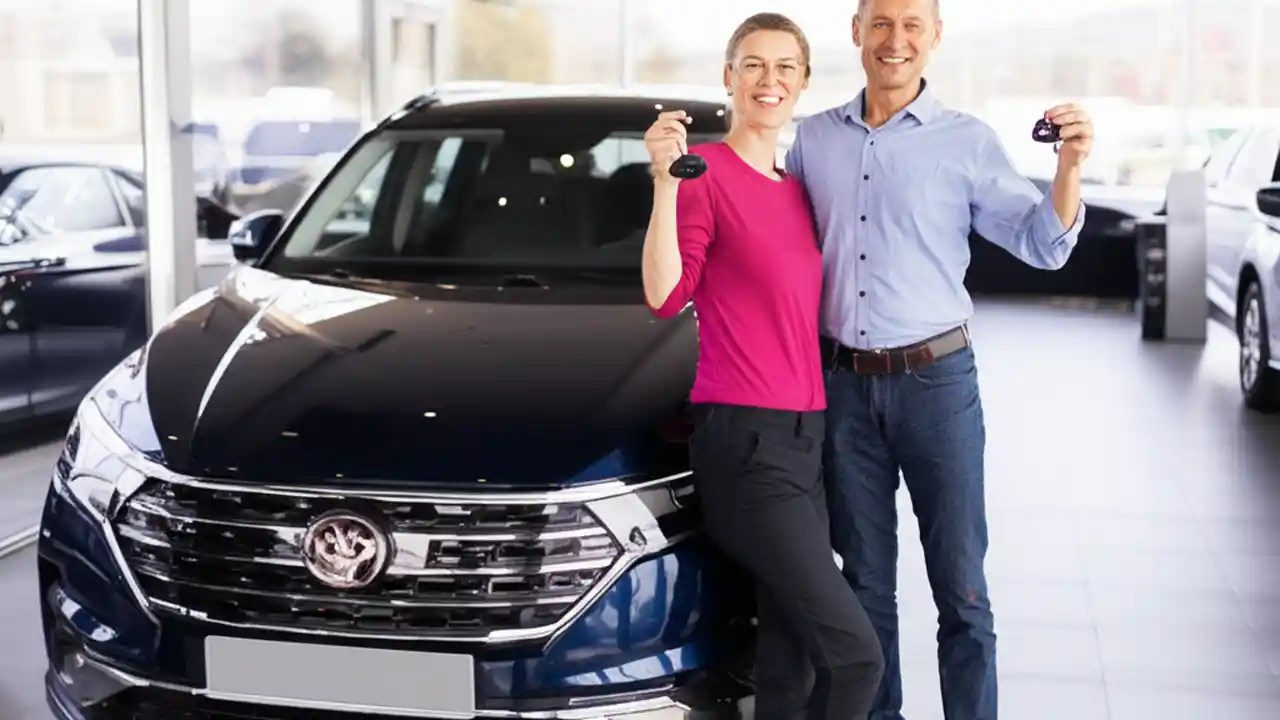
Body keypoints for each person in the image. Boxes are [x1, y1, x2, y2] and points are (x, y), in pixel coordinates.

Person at [783, 0, 1093, 718]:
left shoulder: (967, 142)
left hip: (937, 386)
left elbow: (1044, 245)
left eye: (911, 25)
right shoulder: (814, 140)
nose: (896, 40)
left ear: (935, 38)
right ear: (857, 31)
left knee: (961, 590)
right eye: (881, 23)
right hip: (843, 389)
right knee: (863, 587)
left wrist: (1070, 164)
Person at [641, 11, 885, 720]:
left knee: (790, 660)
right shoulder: (704, 174)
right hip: (746, 446)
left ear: (803, 82)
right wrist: (662, 183)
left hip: (807, 440)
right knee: (856, 655)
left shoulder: (795, 189)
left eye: (785, 67)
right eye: (753, 64)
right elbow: (664, 295)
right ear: (728, 77)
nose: (768, 79)